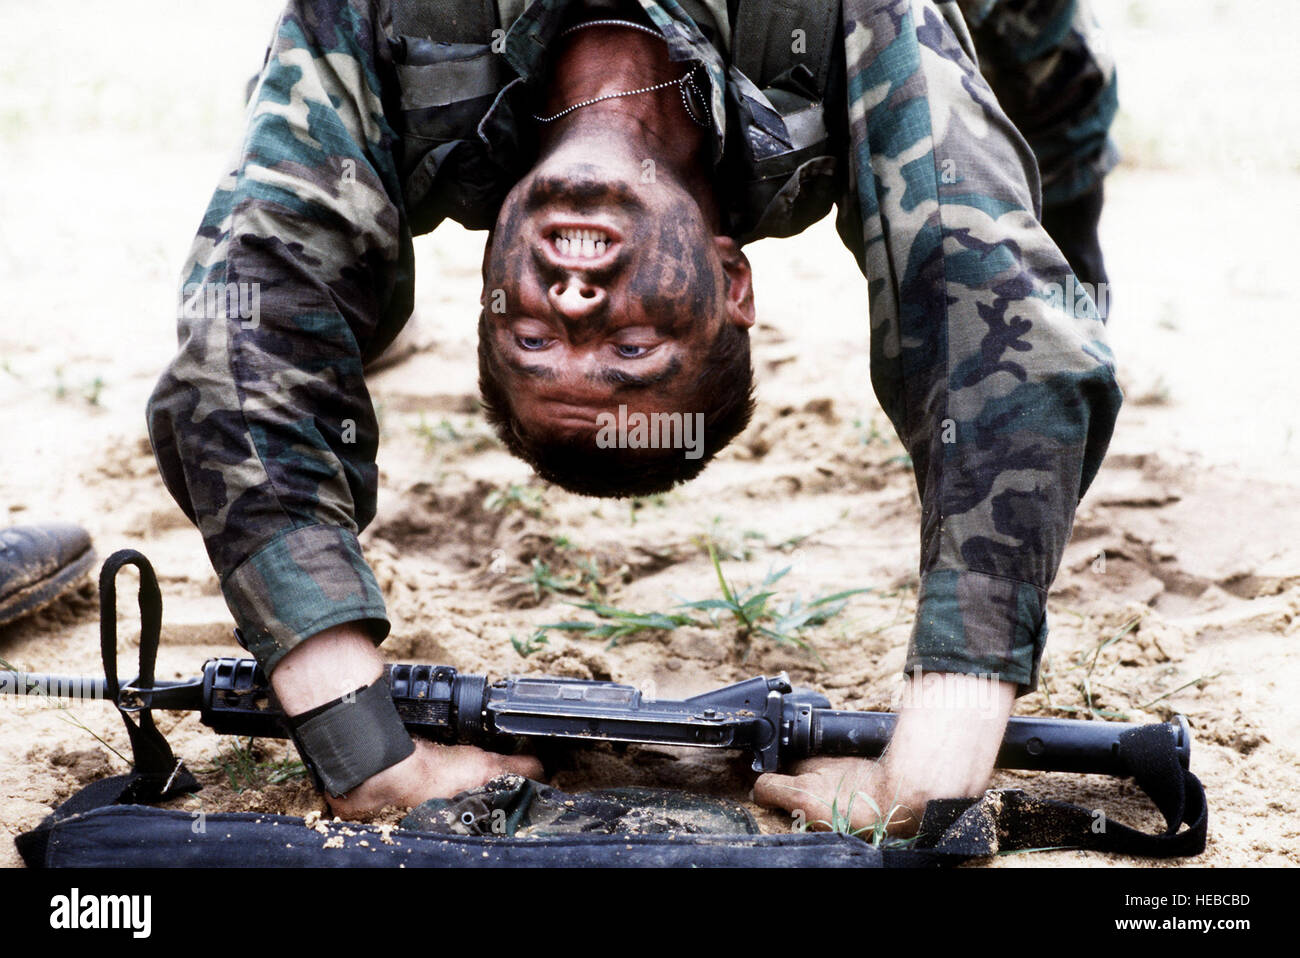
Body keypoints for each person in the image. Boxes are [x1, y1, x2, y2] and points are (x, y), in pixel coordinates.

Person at [147, 0, 1122, 831]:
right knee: (1037, 77)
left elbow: (244, 324)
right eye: (632, 347)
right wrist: (933, 769)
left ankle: (354, 289)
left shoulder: (398, 30)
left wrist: (361, 747)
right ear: (732, 280)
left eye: (532, 338)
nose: (574, 305)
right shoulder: (834, 25)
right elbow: (998, 320)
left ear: (489, 275)